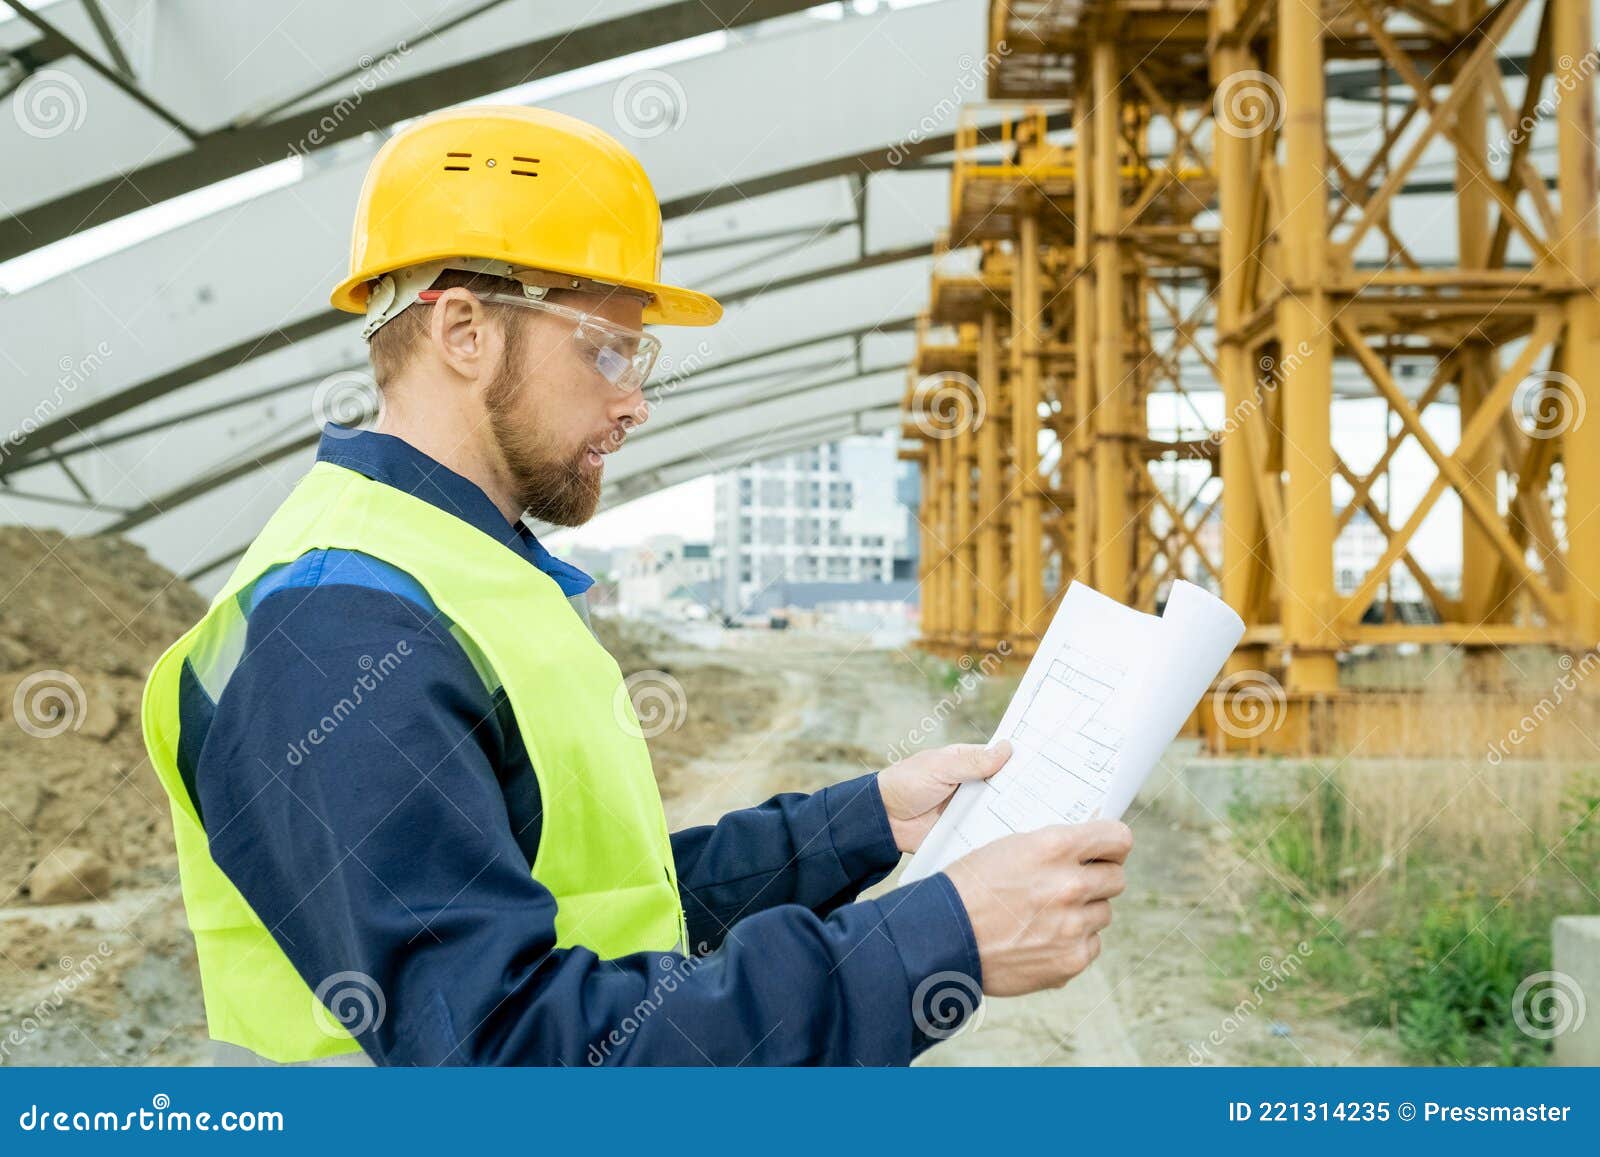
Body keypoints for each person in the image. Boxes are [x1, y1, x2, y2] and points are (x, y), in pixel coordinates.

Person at [141, 106, 1132, 1066]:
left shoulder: (461, 572)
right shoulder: (340, 626)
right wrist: (933, 942)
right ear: (464, 331)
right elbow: (512, 1057)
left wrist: (865, 822)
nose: (635, 400)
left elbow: (613, 910)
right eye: (605, 348)